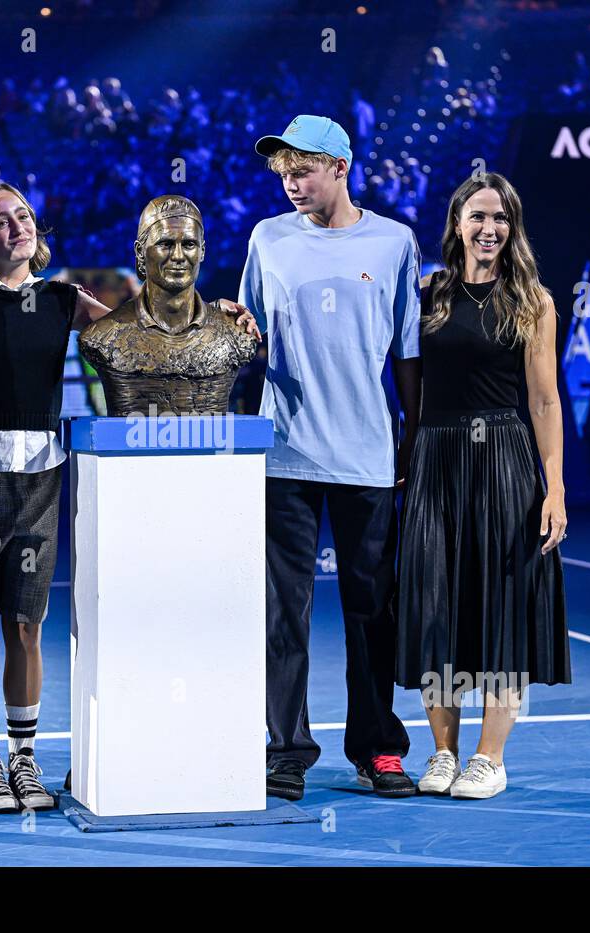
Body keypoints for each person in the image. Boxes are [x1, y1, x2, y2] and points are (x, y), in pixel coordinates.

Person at [0, 184, 262, 811]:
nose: (15, 226)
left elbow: (139, 332)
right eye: (0, 220)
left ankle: (24, 759)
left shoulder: (68, 302)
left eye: (24, 216)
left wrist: (227, 314)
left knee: (28, 625)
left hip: (43, 475)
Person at [239, 115, 422, 801]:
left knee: (371, 610)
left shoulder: (396, 242)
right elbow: (250, 336)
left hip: (366, 456)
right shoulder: (268, 239)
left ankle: (378, 748)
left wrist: (414, 435)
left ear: (341, 167)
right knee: (282, 613)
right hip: (282, 452)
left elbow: (407, 351)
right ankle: (286, 750)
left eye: (302, 170)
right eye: (283, 172)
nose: (290, 182)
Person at [396, 172, 570, 800]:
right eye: (478, 217)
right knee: (436, 607)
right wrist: (409, 448)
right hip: (437, 464)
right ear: (458, 223)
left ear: (512, 226)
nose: (489, 228)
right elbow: (409, 390)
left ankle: (489, 758)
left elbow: (545, 401)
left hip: (505, 463)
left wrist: (554, 489)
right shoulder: (428, 294)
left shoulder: (533, 301)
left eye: (500, 218)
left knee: (501, 611)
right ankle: (442, 753)